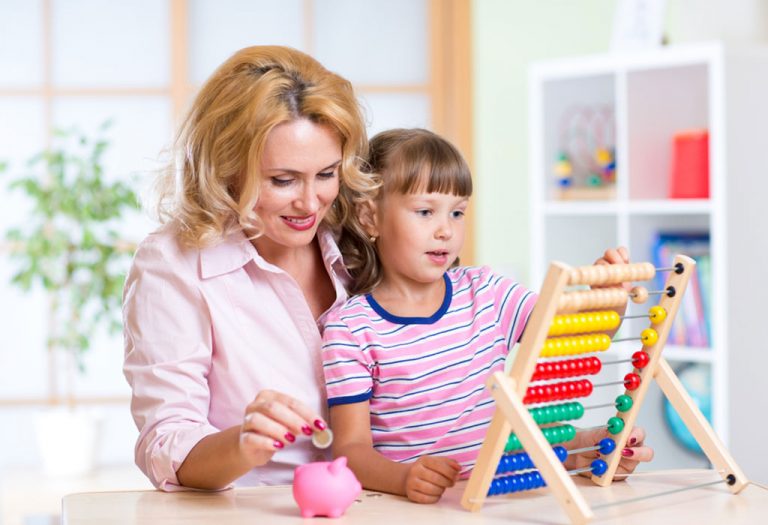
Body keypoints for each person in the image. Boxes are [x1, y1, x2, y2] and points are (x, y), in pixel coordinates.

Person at [321, 128, 653, 504]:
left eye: (457, 212)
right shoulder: (350, 330)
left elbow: (570, 337)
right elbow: (350, 451)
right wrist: (404, 478)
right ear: (370, 218)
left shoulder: (487, 292)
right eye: (425, 211)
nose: (446, 230)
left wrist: (608, 301)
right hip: (414, 509)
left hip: (498, 499)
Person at [122, 45, 377, 491]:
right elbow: (166, 439)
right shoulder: (174, 265)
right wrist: (242, 444)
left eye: (327, 174)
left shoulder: (357, 240)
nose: (310, 201)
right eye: (282, 180)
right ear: (227, 168)